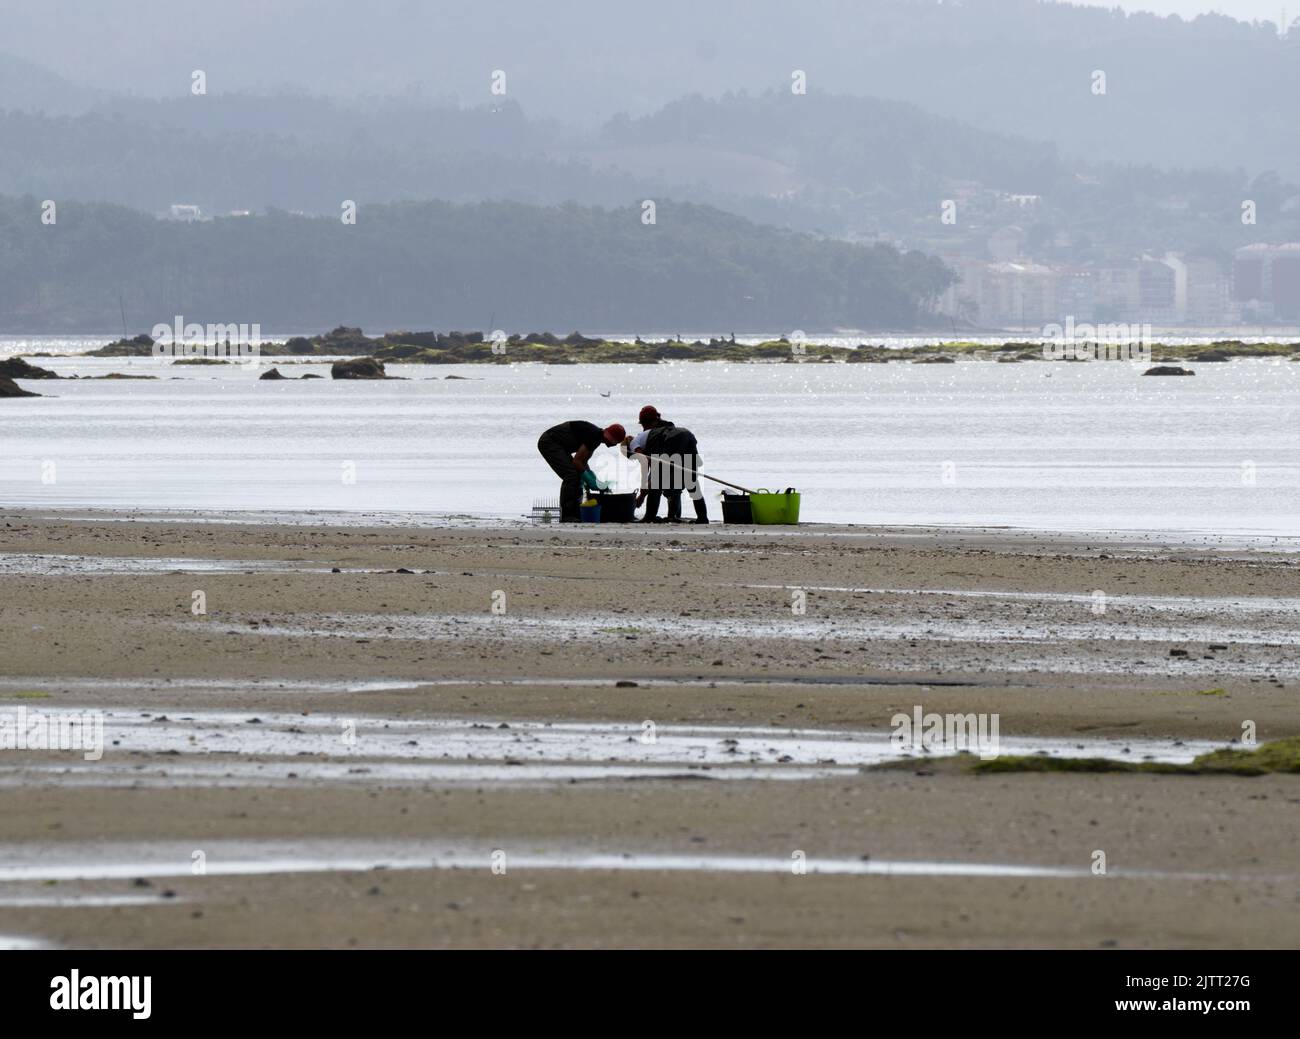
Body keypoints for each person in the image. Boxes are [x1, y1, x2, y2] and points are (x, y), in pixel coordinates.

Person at [537, 420, 626, 522]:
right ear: (612, 440)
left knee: (578, 475)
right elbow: (577, 461)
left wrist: (594, 480)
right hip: (549, 442)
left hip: (560, 446)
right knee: (571, 475)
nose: (614, 445)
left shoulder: (596, 437)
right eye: (616, 443)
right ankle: (566, 515)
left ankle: (576, 512)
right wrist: (590, 480)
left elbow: (583, 462)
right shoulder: (594, 436)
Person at [635, 404, 709, 524]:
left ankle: (649, 516)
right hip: (688, 437)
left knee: (656, 484)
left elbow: (650, 469)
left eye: (643, 424)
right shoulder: (668, 427)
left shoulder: (644, 438)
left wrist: (642, 496)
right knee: (691, 484)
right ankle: (702, 517)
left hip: (674, 443)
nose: (643, 428)